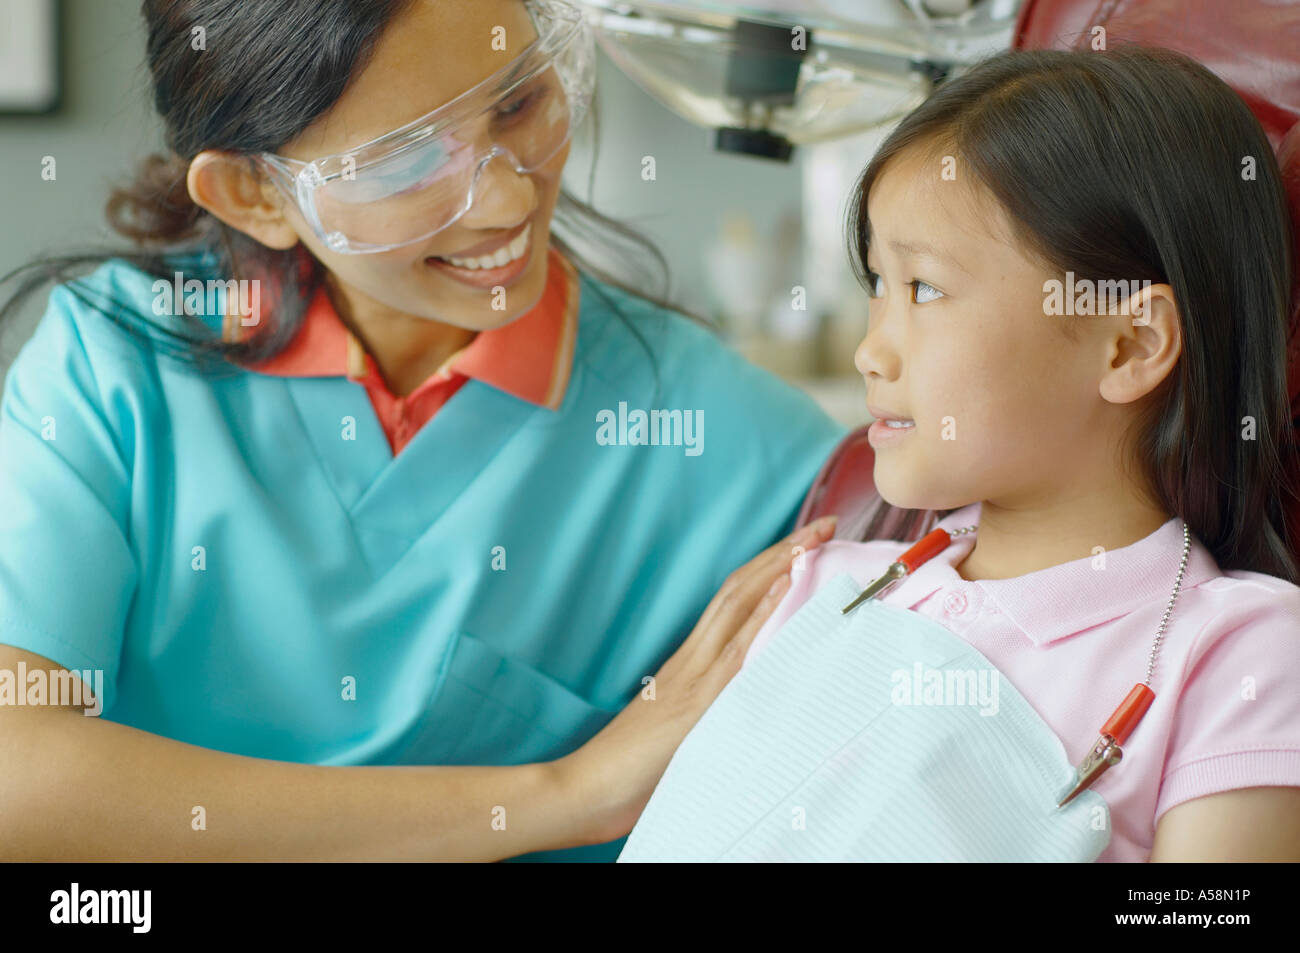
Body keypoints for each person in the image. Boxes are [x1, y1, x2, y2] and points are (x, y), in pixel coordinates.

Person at [0, 0, 845, 861]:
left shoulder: (729, 437)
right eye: (407, 159)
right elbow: (16, 774)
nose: (510, 197)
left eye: (516, 104)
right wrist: (572, 793)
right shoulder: (109, 370)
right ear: (257, 193)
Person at [618, 45, 1300, 862]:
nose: (873, 351)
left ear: (1127, 345)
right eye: (876, 285)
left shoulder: (1233, 653)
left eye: (926, 290)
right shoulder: (825, 592)